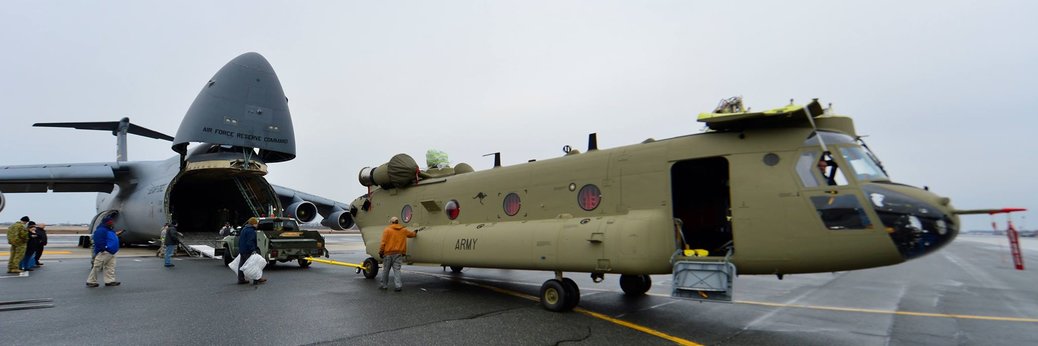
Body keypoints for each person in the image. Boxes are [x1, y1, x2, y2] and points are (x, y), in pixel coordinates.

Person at [379, 216, 417, 291]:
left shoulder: (387, 230)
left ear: (391, 222)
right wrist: (415, 232)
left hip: (388, 254)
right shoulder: (403, 230)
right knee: (397, 270)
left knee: (386, 270)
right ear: (397, 222)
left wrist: (381, 251)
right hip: (398, 254)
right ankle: (398, 286)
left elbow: (383, 243)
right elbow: (412, 235)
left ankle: (384, 285)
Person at [86, 213, 123, 287]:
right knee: (97, 266)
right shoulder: (101, 230)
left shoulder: (109, 230)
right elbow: (98, 241)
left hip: (111, 252)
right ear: (107, 223)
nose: (112, 223)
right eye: (110, 222)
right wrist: (104, 249)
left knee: (110, 267)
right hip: (105, 252)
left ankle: (109, 281)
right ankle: (91, 281)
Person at [237, 217, 266, 285]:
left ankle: (241, 279)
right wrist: (253, 250)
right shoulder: (251, 231)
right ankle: (256, 279)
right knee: (254, 264)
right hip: (248, 250)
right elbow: (250, 241)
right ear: (253, 224)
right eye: (256, 223)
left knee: (242, 264)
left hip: (242, 250)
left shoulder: (244, 229)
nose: (257, 225)